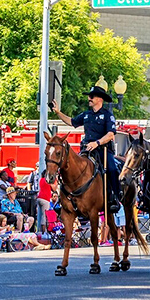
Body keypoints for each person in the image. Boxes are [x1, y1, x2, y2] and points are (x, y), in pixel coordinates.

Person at [50, 85, 121, 213]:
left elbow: (111, 134)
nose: (89, 98)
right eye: (89, 96)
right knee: (69, 166)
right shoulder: (86, 114)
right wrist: (58, 112)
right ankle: (67, 198)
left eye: (92, 96)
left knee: (112, 169)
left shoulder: (107, 115)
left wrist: (97, 143)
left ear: (100, 99)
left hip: (102, 150)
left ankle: (114, 198)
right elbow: (71, 122)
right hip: (86, 149)